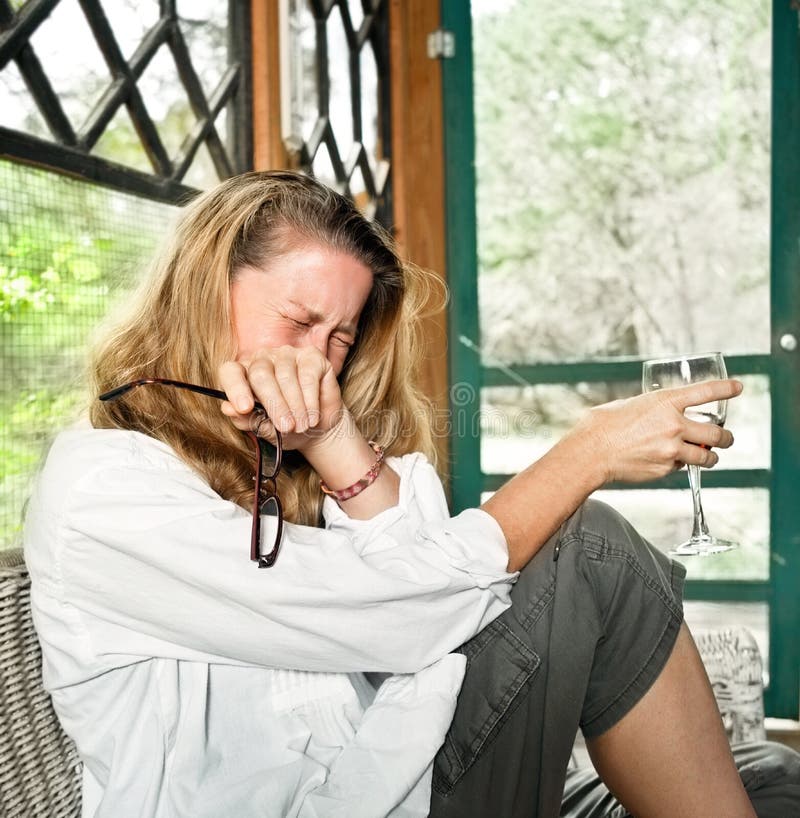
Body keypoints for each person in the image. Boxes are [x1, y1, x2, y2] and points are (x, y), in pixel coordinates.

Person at [23, 170, 799, 818]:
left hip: (387, 771)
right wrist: (584, 453)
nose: (321, 360)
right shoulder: (106, 491)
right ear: (199, 292)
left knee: (773, 774)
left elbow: (435, 590)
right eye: (297, 320)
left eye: (339, 338)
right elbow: (418, 616)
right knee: (590, 544)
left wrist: (329, 438)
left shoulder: (274, 466)